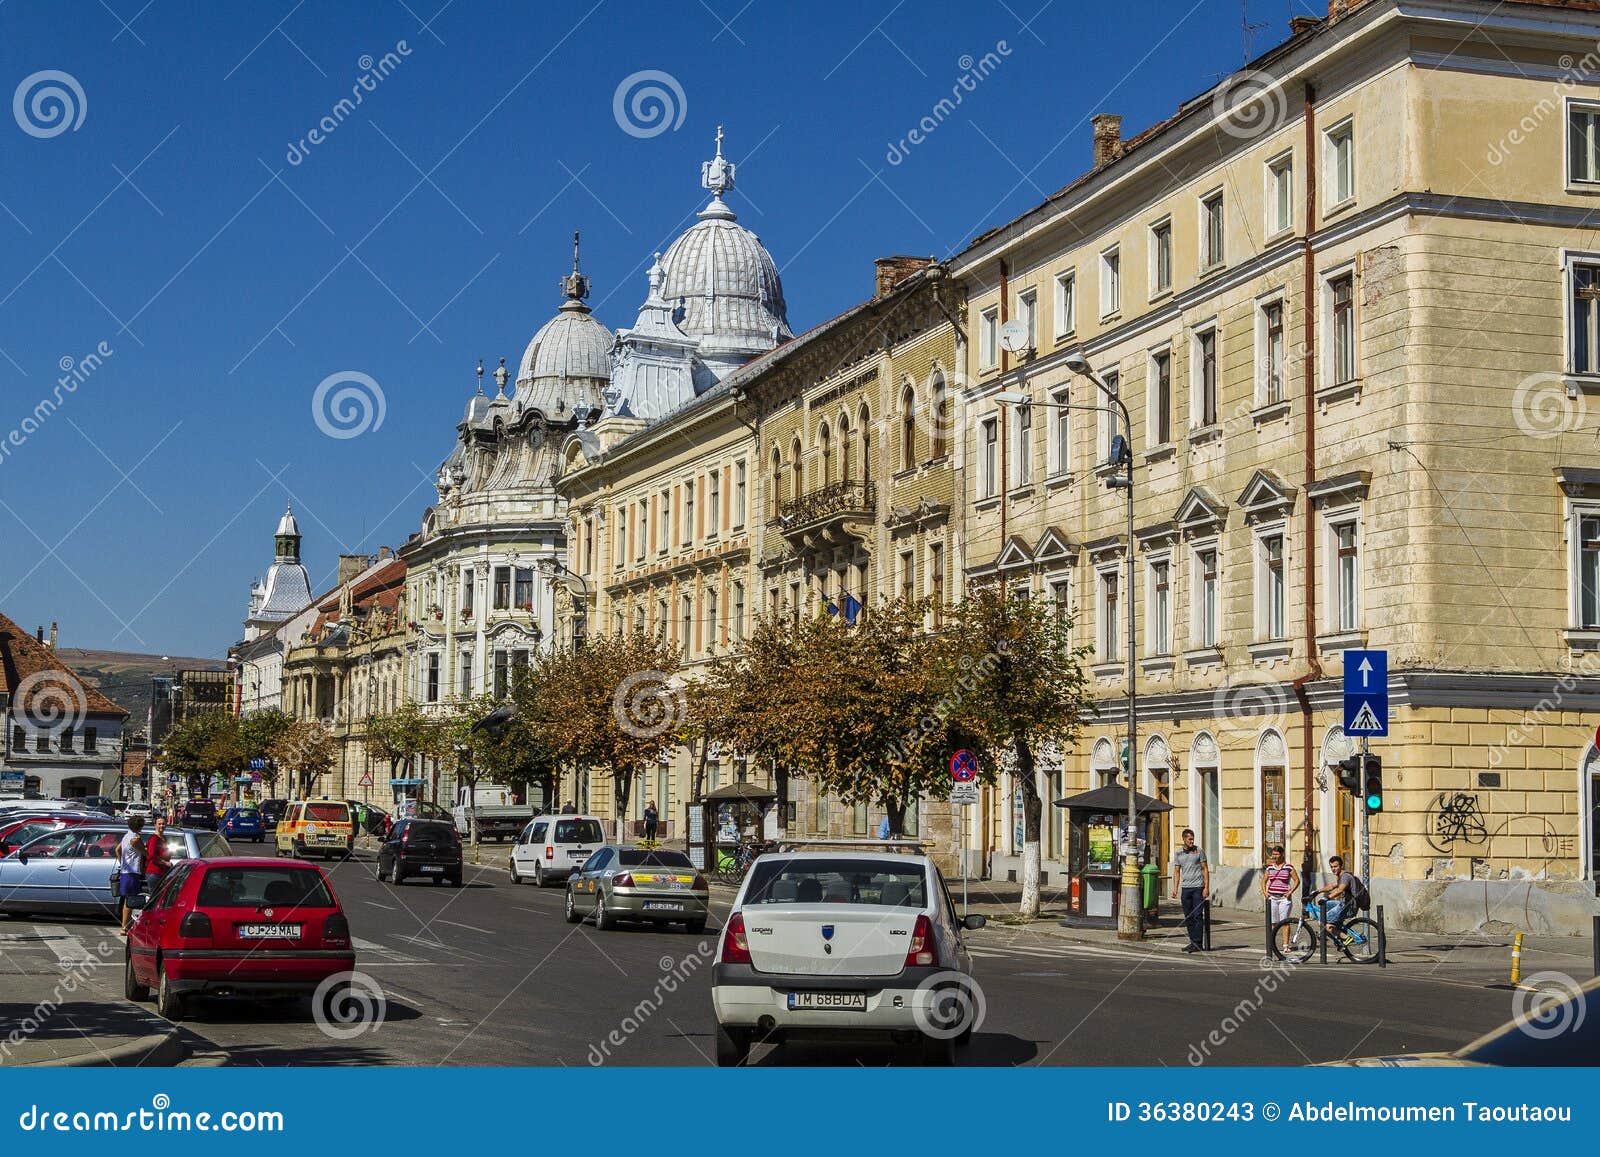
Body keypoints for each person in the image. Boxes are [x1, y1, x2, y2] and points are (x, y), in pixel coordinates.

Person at [1169, 827, 1210, 953]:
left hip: (1198, 887)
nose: (1192, 841)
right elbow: (1176, 871)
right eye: (1189, 839)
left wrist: (1206, 887)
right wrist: (1175, 888)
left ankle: (1198, 943)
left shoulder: (1199, 851)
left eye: (1193, 839)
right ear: (1184, 839)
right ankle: (1193, 942)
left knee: (1198, 915)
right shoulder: (1178, 853)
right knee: (1188, 917)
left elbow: (1205, 869)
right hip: (1186, 889)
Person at [1311, 855, 1357, 940]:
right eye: (1331, 867)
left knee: (1322, 921)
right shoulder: (1341, 876)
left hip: (1348, 907)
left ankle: (1346, 938)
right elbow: (1332, 886)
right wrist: (1318, 891)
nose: (1333, 869)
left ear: (1341, 866)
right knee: (1324, 906)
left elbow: (1339, 890)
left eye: (1336, 866)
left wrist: (1327, 897)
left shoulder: (1345, 877)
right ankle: (1334, 928)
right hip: (1344, 904)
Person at [116, 816, 147, 934]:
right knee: (131, 900)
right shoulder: (135, 838)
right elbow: (145, 852)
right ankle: (124, 927)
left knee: (127, 900)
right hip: (132, 871)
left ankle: (126, 926)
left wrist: (123, 863)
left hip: (126, 871)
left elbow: (117, 850)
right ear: (139, 826)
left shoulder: (126, 836)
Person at [1260, 844, 1299, 925]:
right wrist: (1265, 892)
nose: (1275, 856)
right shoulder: (1270, 868)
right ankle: (1272, 938)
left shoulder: (1288, 867)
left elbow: (1297, 880)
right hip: (1272, 898)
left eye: (1277, 854)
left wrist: (1290, 892)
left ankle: (1285, 938)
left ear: (1282, 854)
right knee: (1273, 922)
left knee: (1285, 923)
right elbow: (1264, 880)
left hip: (1284, 899)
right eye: (1273, 854)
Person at [143, 815, 172, 892]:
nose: (161, 826)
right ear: (155, 825)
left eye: (163, 824)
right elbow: (151, 856)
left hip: (162, 872)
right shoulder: (154, 839)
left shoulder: (163, 838)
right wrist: (165, 863)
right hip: (154, 873)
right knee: (154, 898)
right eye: (159, 824)